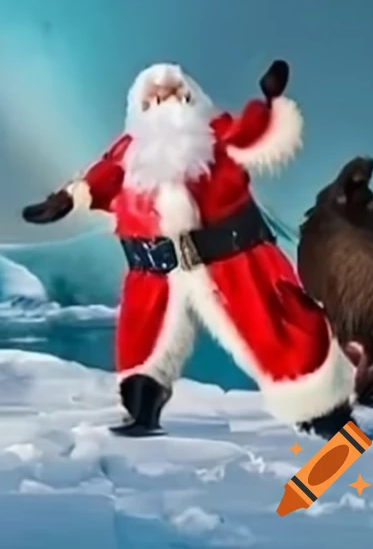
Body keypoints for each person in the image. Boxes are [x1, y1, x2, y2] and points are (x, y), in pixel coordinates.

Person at [22, 59, 354, 438]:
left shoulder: (218, 134)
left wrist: (269, 101)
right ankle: (141, 412)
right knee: (141, 342)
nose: (167, 102)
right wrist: (67, 198)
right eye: (156, 97)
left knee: (277, 329)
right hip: (153, 269)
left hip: (233, 261)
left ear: (191, 97)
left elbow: (255, 133)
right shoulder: (129, 150)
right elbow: (101, 177)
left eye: (175, 93)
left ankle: (327, 414)